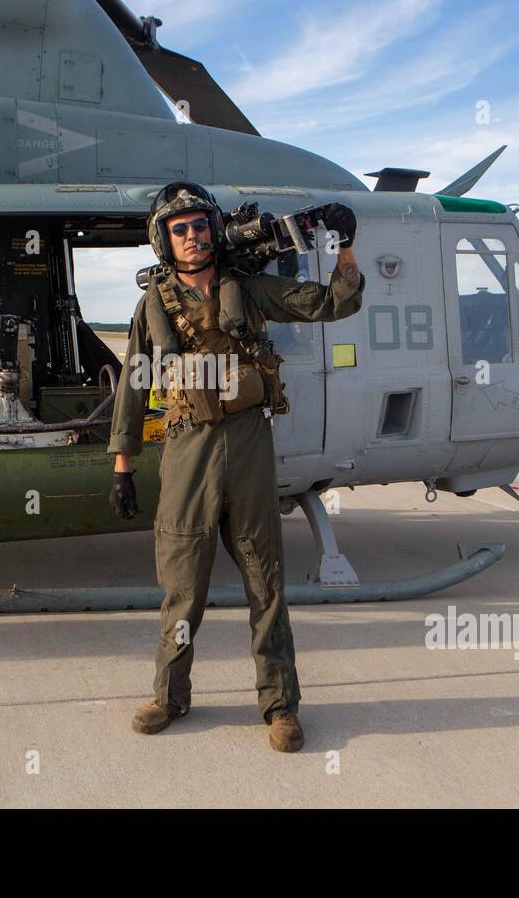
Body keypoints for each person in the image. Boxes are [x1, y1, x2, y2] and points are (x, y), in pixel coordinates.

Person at [106, 181, 365, 753]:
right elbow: (133, 384)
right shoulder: (153, 305)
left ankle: (280, 706)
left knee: (264, 581)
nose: (193, 236)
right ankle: (169, 697)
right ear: (163, 240)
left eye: (200, 225)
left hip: (248, 444)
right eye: (180, 229)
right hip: (187, 448)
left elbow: (333, 303)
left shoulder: (247, 290)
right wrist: (123, 465)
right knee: (181, 587)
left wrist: (344, 246)